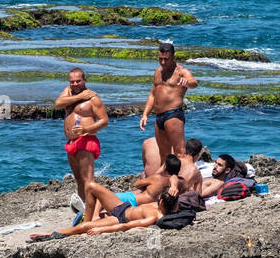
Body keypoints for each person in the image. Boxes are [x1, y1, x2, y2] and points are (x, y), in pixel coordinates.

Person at [29, 183, 175, 240]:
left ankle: (50, 234)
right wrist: (174, 185)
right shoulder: (164, 206)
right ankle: (87, 220)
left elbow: (125, 226)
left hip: (121, 218)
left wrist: (102, 229)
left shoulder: (152, 217)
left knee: (86, 228)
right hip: (122, 207)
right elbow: (174, 182)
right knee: (91, 187)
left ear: (161, 201)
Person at [54, 67, 109, 206]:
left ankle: (97, 208)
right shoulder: (69, 92)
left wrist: (86, 129)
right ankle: (84, 208)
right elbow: (58, 103)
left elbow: (104, 121)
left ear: (85, 80)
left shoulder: (93, 98)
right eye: (72, 81)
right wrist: (79, 97)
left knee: (88, 180)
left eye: (78, 81)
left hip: (86, 140)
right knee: (78, 178)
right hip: (71, 141)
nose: (75, 84)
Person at [139, 42, 197, 164]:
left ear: (173, 57)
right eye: (160, 59)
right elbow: (153, 94)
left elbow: (194, 82)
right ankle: (166, 181)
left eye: (166, 59)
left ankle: (184, 180)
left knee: (180, 153)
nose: (163, 62)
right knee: (164, 155)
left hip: (173, 115)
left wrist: (188, 83)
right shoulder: (158, 72)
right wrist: (145, 114)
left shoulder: (181, 71)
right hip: (159, 117)